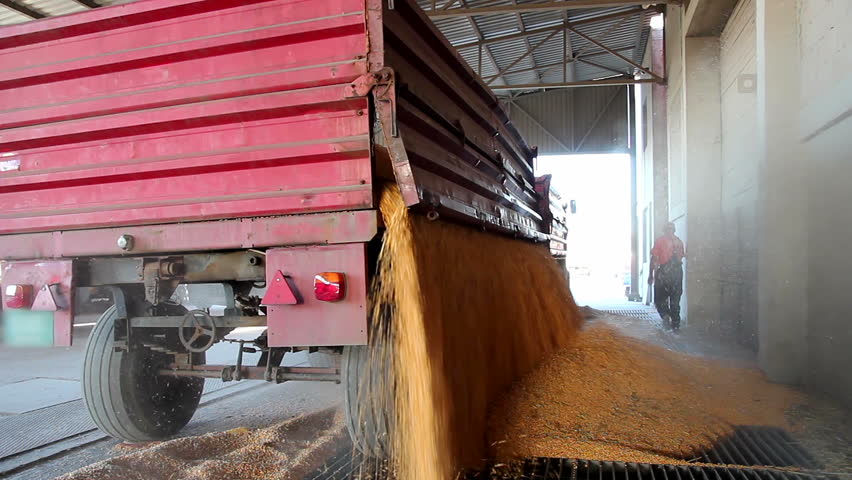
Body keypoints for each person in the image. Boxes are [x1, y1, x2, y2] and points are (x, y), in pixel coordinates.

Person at [648, 222, 685, 331]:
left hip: (664, 273)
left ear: (664, 230)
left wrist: (651, 275)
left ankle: (665, 316)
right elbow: (681, 257)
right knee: (675, 300)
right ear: (674, 230)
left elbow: (654, 259)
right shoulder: (679, 242)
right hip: (677, 273)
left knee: (660, 299)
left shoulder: (660, 241)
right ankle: (676, 326)